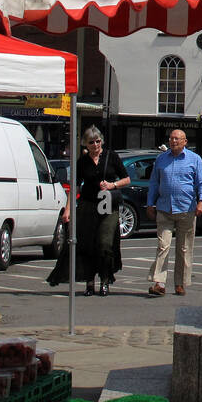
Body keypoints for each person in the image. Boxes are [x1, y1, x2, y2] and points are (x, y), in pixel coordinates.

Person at [49, 126, 128, 296]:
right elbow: (75, 186)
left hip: (108, 206)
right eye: (91, 142)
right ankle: (90, 281)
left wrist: (112, 185)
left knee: (105, 244)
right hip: (88, 205)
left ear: (102, 141)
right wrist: (68, 210)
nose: (95, 145)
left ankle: (105, 280)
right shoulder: (83, 161)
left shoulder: (111, 156)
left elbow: (126, 178)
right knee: (88, 245)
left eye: (98, 141)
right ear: (86, 144)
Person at [146, 130, 202, 297]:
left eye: (177, 139)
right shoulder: (161, 159)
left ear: (185, 141)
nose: (173, 141)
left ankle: (180, 283)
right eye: (171, 138)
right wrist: (150, 203)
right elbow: (154, 183)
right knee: (163, 245)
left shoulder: (194, 160)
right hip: (164, 208)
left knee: (184, 248)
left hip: (186, 209)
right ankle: (159, 282)